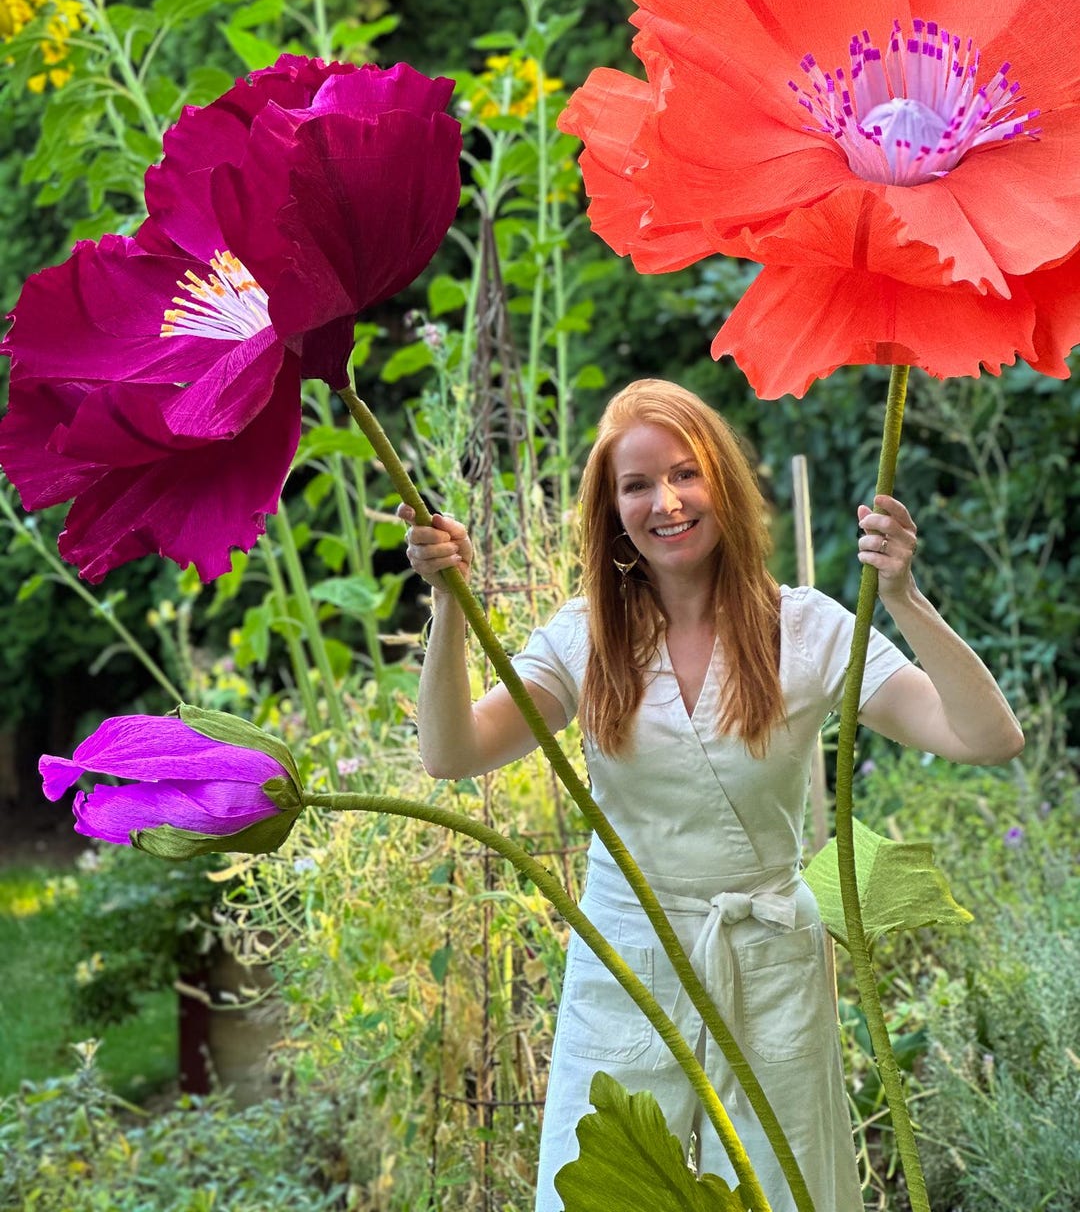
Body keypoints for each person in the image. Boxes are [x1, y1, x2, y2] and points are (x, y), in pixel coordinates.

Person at [397, 378, 1023, 1212]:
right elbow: (452, 752)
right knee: (601, 1192)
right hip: (627, 955)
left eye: (686, 474)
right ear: (611, 511)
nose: (667, 501)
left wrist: (904, 596)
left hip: (769, 959)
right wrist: (448, 606)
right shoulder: (584, 637)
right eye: (637, 484)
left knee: (785, 1194)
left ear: (722, 482)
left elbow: (986, 737)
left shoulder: (806, 629)